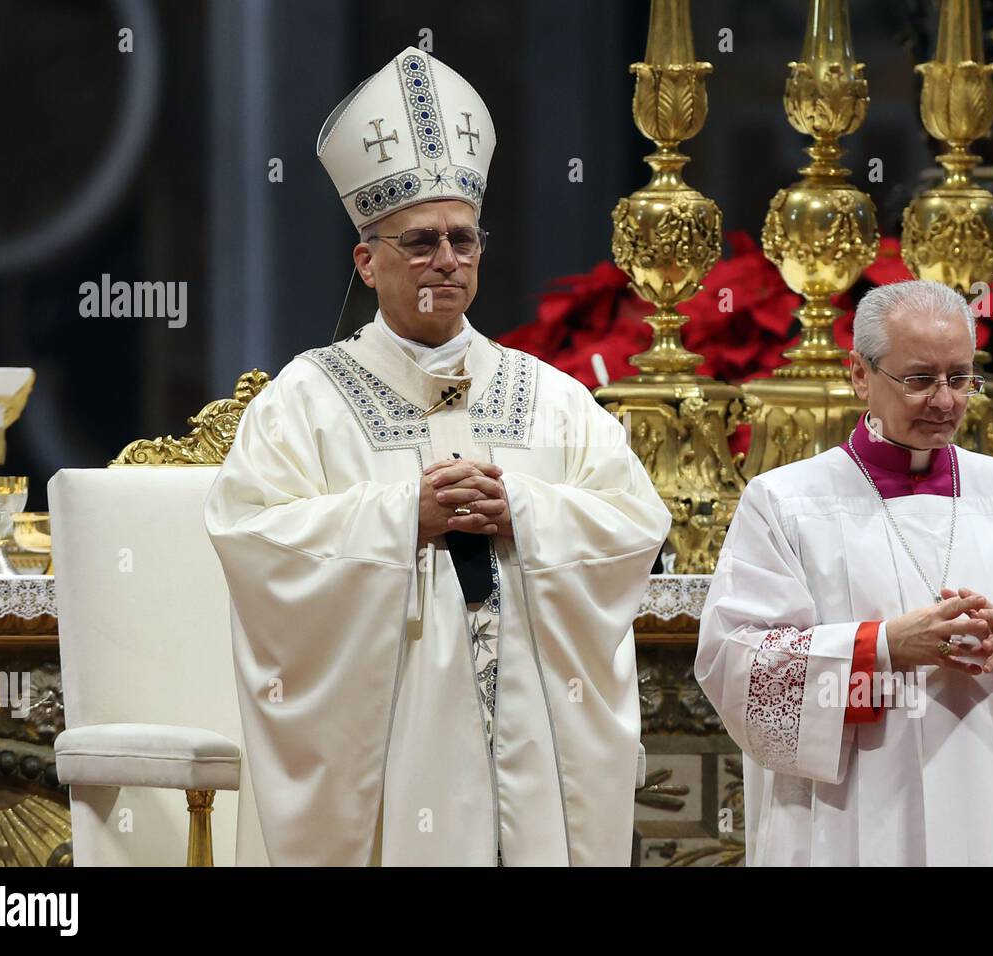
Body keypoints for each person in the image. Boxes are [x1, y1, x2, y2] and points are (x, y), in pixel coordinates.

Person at [204, 46, 671, 866]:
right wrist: (400, 519)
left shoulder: (553, 397)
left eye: (463, 238)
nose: (447, 260)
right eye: (419, 242)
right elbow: (250, 537)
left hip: (531, 724)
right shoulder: (306, 401)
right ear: (366, 258)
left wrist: (522, 510)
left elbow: (636, 528)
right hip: (395, 739)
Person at [696, 278, 993, 865]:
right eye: (920, 379)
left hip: (991, 799)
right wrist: (882, 648)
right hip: (847, 812)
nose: (945, 400)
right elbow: (735, 661)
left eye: (960, 378)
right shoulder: (785, 501)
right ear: (860, 374)